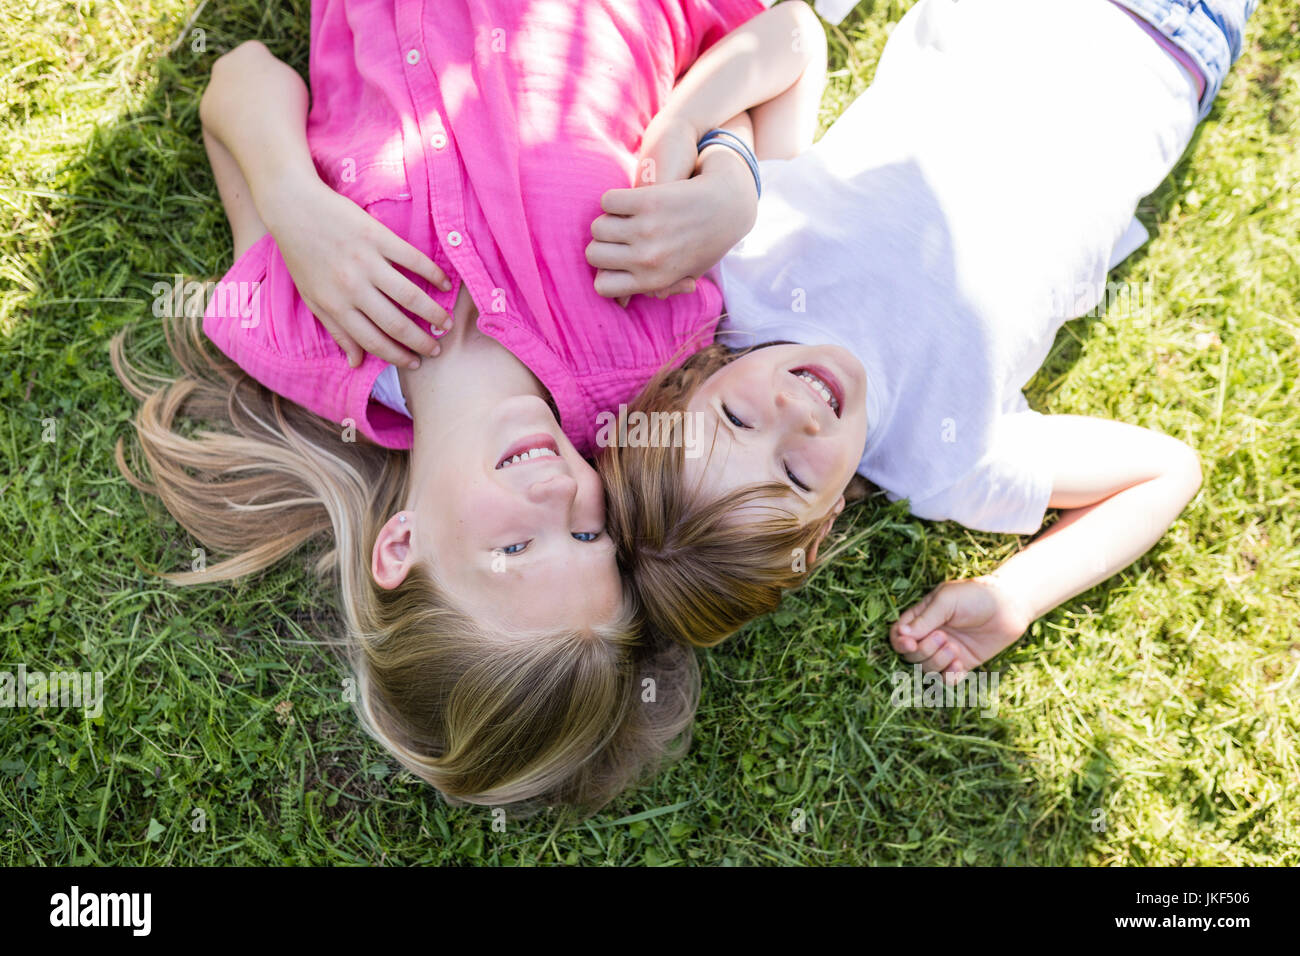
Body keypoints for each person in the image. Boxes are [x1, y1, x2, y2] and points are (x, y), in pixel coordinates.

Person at [112, 0, 825, 813]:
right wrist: (735, 184)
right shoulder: (646, 346)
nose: (560, 496)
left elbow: (238, 76)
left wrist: (292, 202)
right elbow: (787, 34)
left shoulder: (300, 342)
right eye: (589, 535)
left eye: (517, 547)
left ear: (401, 546)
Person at [597, 0, 1256, 680]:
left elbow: (794, 35)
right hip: (1167, 39)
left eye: (736, 419)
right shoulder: (951, 463)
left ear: (689, 384)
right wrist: (1018, 595)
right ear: (822, 529)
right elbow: (1166, 471)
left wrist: (688, 126)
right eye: (794, 475)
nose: (796, 416)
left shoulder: (748, 266)